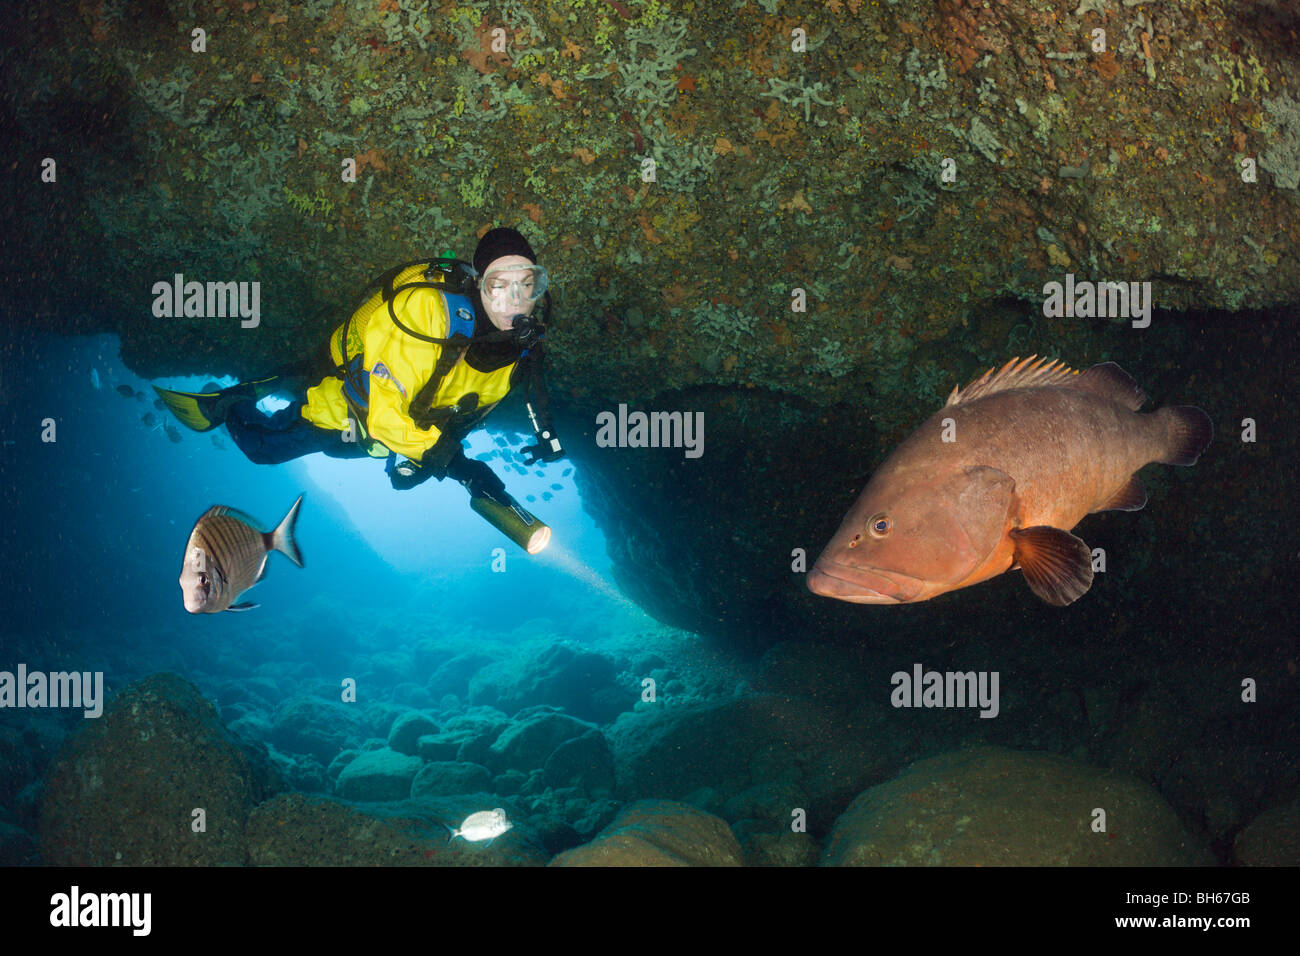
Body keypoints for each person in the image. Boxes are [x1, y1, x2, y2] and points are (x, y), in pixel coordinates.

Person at [155, 227, 564, 552]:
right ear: (478, 284)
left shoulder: (522, 346)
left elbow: (520, 392)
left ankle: (289, 376)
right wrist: (459, 466)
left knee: (403, 480)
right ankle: (234, 402)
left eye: (527, 284)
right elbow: (384, 416)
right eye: (498, 284)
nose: (514, 301)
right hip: (348, 413)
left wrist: (544, 437)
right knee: (263, 451)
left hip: (403, 436)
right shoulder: (426, 314)